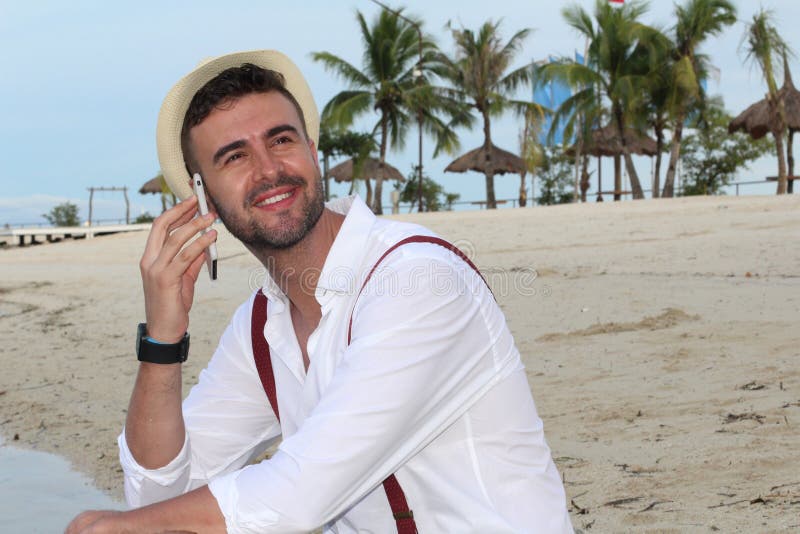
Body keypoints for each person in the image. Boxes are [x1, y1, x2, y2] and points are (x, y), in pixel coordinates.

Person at [67, 50, 572, 533]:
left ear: (313, 151)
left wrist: (110, 527)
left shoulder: (418, 280)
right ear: (203, 200)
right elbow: (159, 497)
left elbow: (302, 493)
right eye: (235, 156)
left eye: (281, 140)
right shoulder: (262, 326)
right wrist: (162, 337)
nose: (269, 170)